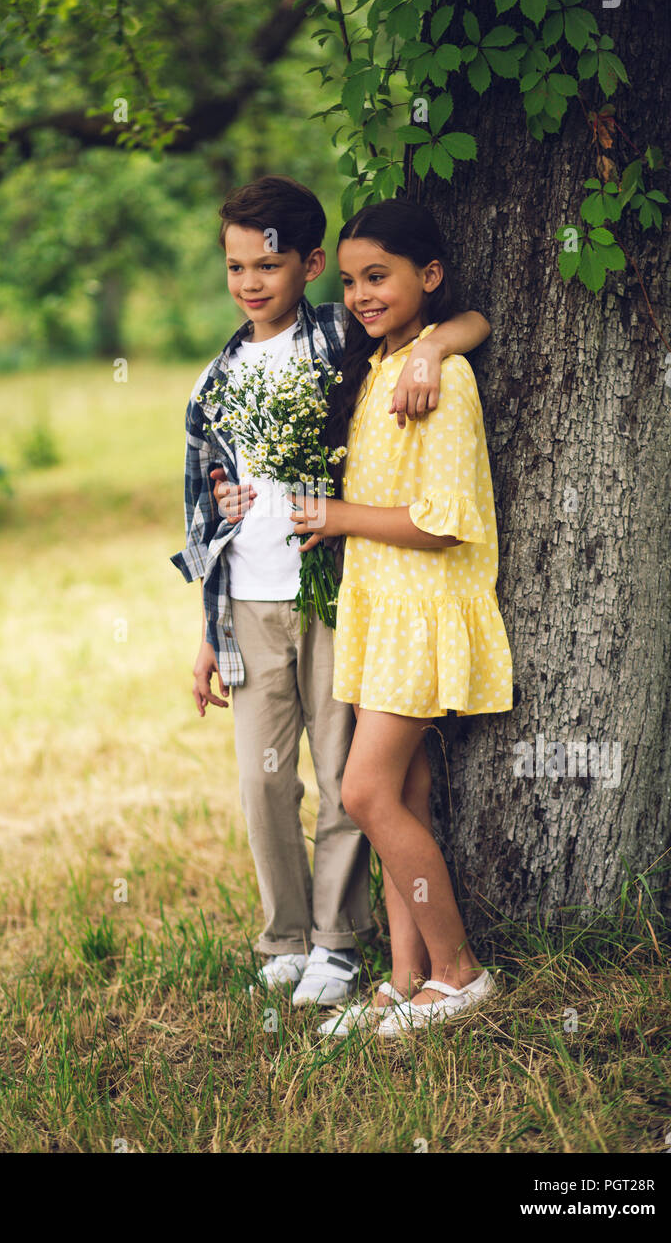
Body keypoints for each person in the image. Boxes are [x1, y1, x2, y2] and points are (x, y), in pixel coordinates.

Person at [171, 175, 491, 1007]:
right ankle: (307, 944)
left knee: (351, 777)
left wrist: (433, 347)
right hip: (257, 599)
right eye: (235, 266)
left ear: (306, 267)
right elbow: (202, 501)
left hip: (339, 595)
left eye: (266, 266)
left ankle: (343, 947)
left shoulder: (343, 342)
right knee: (267, 779)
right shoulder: (218, 382)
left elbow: (464, 321)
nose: (249, 282)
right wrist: (212, 604)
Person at [288, 197, 513, 1037]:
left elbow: (441, 518)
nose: (359, 294)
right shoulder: (386, 364)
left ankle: (458, 973)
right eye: (348, 281)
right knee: (405, 792)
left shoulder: (440, 376)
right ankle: (404, 977)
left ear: (430, 276)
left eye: (376, 276)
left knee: (365, 790)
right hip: (380, 609)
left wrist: (333, 517)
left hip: (423, 611)